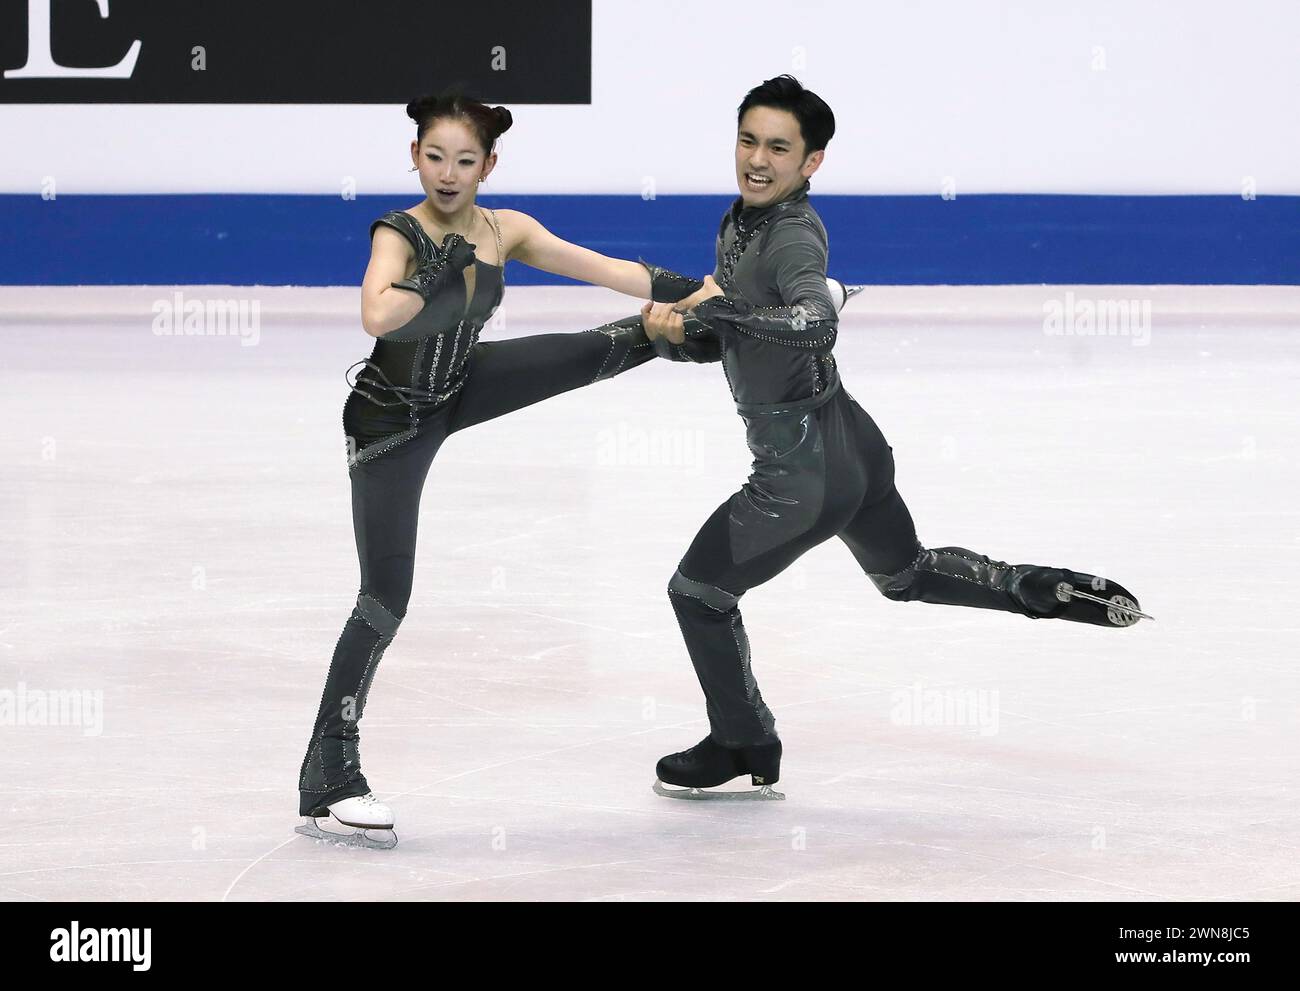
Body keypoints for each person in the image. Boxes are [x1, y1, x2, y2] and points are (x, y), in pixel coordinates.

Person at [639, 75, 1150, 801]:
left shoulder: (788, 233)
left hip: (799, 475)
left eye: (778, 148)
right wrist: (684, 337)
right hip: (853, 444)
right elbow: (749, 335)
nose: (757, 158)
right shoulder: (742, 221)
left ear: (811, 162)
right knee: (904, 573)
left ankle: (743, 737)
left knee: (697, 592)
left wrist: (721, 314)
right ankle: (1026, 587)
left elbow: (815, 320)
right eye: (748, 139)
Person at [296, 90, 710, 848]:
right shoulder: (401, 231)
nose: (447, 174)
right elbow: (377, 314)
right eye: (433, 157)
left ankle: (712, 328)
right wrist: (438, 270)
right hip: (392, 422)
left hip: (462, 384)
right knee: (385, 598)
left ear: (489, 164)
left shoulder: (505, 227)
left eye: (464, 160)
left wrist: (701, 292)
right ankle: (328, 778)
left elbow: (608, 270)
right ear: (413, 156)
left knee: (599, 347)